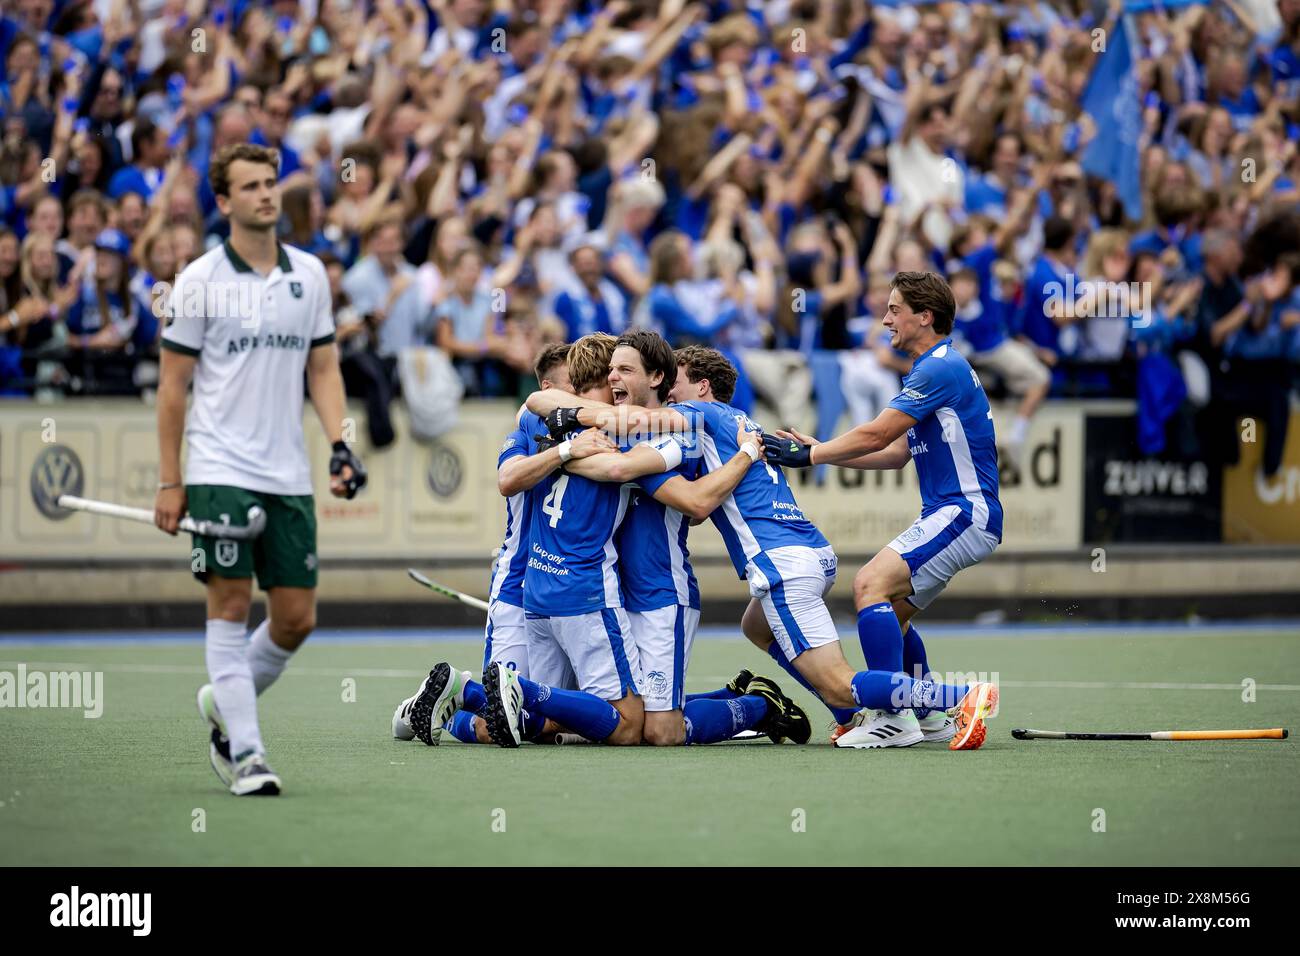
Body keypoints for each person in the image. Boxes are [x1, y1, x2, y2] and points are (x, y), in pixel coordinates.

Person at [153, 143, 368, 796]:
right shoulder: (197, 281)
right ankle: (246, 753)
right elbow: (172, 387)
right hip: (219, 466)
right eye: (250, 187)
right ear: (224, 202)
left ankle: (226, 696)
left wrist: (340, 443)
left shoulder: (309, 275)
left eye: (271, 183)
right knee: (231, 601)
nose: (266, 195)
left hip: (289, 474)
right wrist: (171, 479)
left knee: (297, 618)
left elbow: (324, 367)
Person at [765, 272, 1002, 750]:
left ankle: (892, 718)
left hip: (963, 511)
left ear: (924, 317)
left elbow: (875, 434)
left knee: (868, 584)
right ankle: (929, 715)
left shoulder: (938, 368)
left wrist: (811, 456)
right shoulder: (933, 367)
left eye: (895, 309)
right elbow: (894, 452)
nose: (885, 318)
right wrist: (823, 447)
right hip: (958, 512)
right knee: (890, 611)